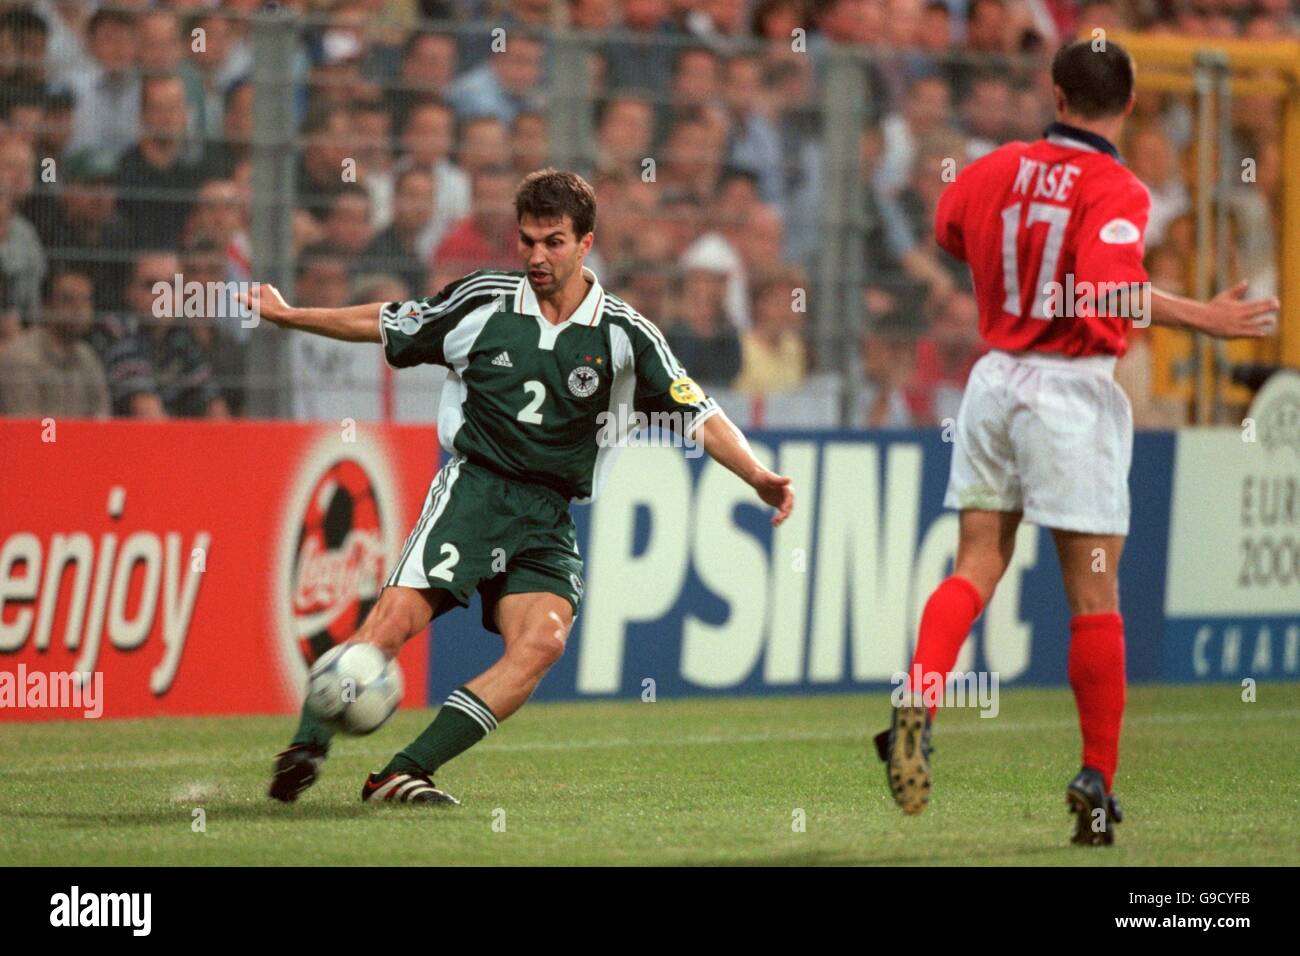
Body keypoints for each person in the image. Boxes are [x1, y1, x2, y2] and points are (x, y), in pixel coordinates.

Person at [247, 168, 794, 806]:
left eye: (553, 242)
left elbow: (696, 412)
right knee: (392, 624)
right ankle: (309, 742)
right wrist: (290, 315)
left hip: (547, 516)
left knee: (542, 642)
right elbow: (388, 321)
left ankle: (402, 772)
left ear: (587, 243)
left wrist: (756, 475)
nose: (537, 256)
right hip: (474, 492)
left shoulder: (625, 335)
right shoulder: (482, 302)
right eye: (528, 241)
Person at [873, 40, 1278, 845]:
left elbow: (952, 229)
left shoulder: (995, 166)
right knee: (1094, 592)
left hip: (994, 382)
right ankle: (1097, 778)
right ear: (1128, 105)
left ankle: (921, 689)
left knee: (977, 560)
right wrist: (1207, 316)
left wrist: (1017, 262)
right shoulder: (1117, 188)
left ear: (1055, 93)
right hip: (1071, 391)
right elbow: (1106, 284)